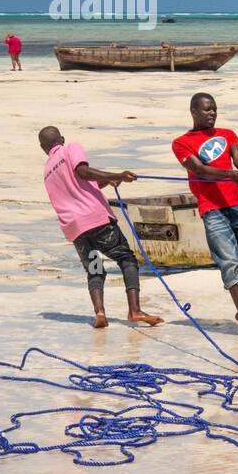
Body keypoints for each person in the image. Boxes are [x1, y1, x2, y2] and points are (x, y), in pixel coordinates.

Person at [38, 126, 162, 329]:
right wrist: (118, 175)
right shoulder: (70, 148)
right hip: (95, 219)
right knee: (126, 259)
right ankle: (135, 310)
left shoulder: (47, 171)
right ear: (61, 138)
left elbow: (80, 186)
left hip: (76, 229)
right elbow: (83, 172)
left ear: (43, 148)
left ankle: (100, 312)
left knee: (95, 269)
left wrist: (106, 180)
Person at [171, 93, 238, 339]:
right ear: (194, 112)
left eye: (214, 109)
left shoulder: (228, 134)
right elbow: (200, 169)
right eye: (206, 109)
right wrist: (230, 175)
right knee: (230, 262)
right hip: (211, 207)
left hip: (237, 202)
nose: (212, 113)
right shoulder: (181, 142)